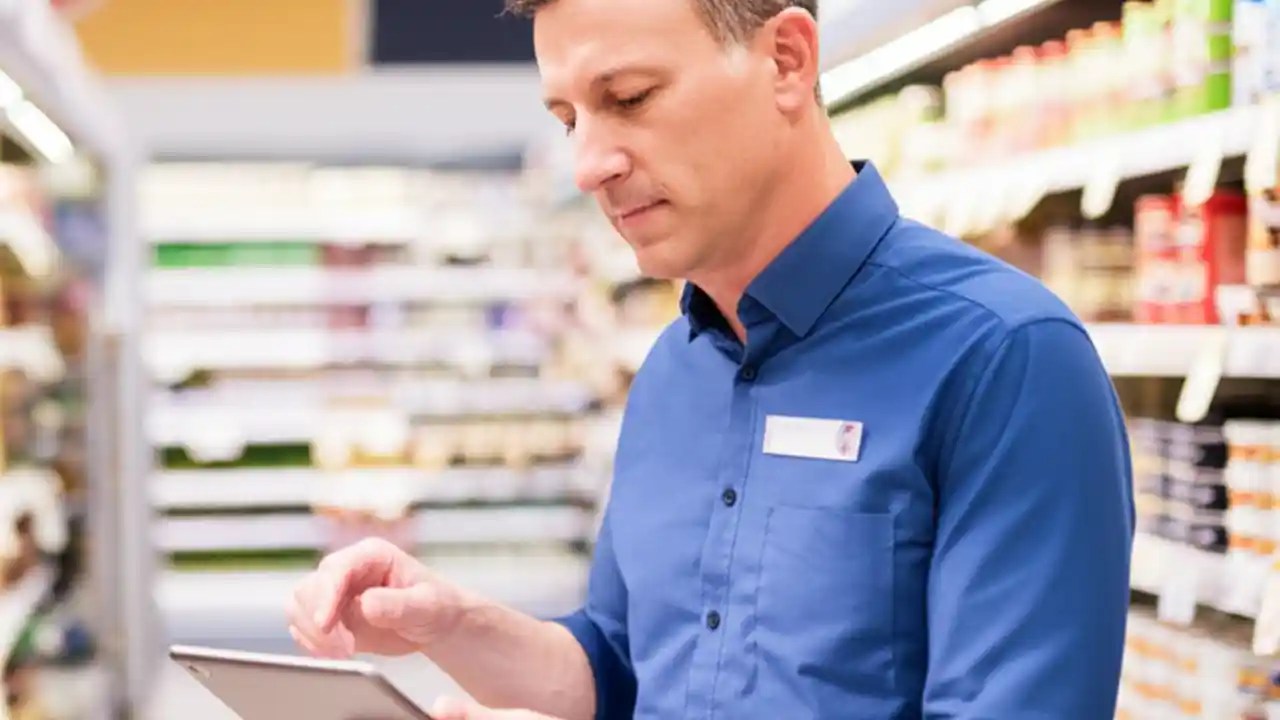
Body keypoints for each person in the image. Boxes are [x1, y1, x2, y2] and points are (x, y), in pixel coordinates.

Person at [286, 0, 1136, 718]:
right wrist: (455, 624)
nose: (589, 164)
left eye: (630, 97)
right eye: (568, 118)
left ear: (787, 62)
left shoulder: (1005, 361)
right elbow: (620, 666)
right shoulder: (670, 374)